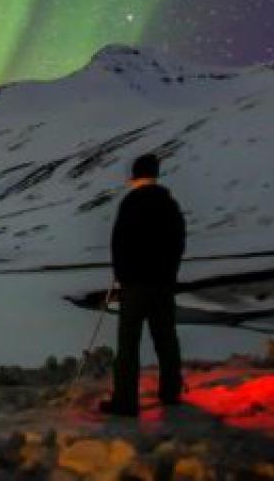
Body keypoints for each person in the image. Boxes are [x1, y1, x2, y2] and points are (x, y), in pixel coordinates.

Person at [99, 153, 186, 416]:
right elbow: (178, 241)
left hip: (135, 284)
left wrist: (121, 274)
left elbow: (119, 242)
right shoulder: (169, 203)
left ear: (135, 177)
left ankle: (126, 400)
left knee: (128, 344)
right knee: (166, 338)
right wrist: (169, 272)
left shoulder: (131, 203)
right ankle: (170, 391)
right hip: (162, 282)